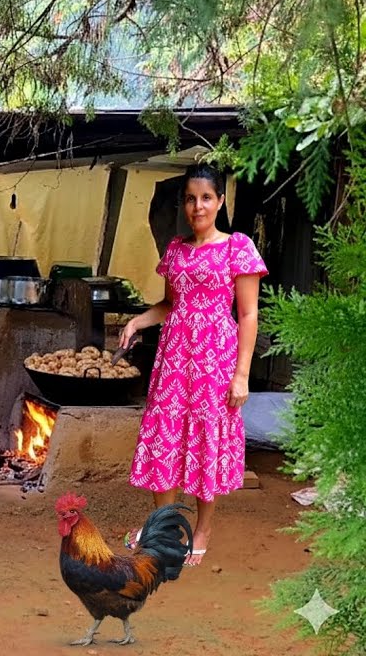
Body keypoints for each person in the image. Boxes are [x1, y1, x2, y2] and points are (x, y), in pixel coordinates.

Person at [120, 164, 267, 567]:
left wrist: (241, 375)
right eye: (190, 198)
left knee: (207, 440)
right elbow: (170, 305)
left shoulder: (237, 247)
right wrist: (137, 321)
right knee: (165, 435)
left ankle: (202, 530)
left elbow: (249, 315)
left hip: (215, 359)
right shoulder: (176, 250)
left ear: (220, 201)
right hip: (174, 359)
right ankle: (163, 529)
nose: (197, 206)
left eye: (205, 197)